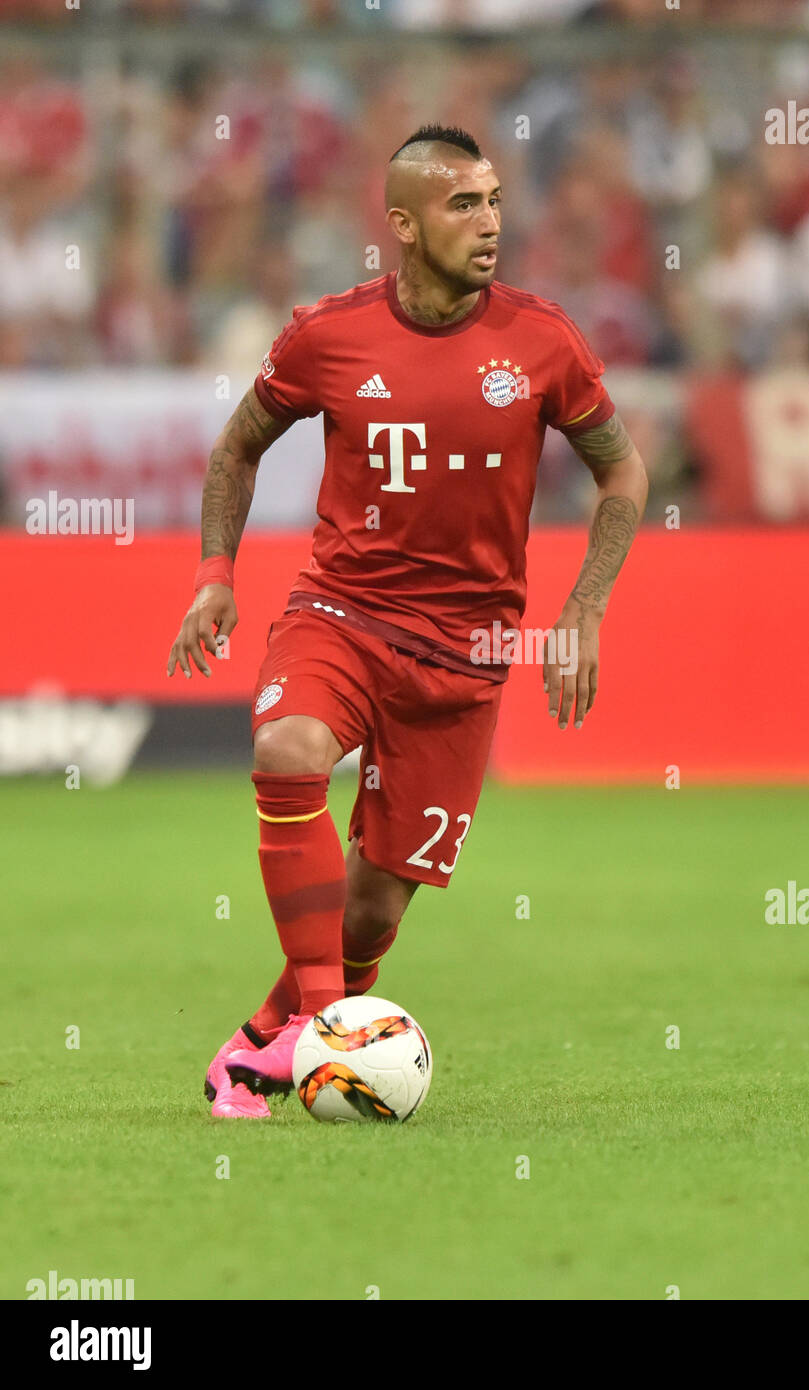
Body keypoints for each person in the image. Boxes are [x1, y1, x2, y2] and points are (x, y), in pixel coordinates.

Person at [165, 124, 649, 1117]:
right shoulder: (327, 335)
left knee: (371, 909)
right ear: (403, 223)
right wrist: (215, 574)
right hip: (342, 614)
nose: (489, 223)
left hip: (465, 656)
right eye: (463, 205)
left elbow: (622, 473)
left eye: (495, 201)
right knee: (288, 750)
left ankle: (256, 1048)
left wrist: (584, 607)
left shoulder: (541, 340)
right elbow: (237, 447)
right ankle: (321, 1025)